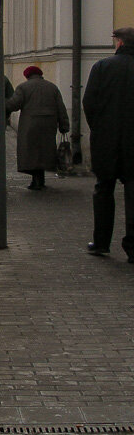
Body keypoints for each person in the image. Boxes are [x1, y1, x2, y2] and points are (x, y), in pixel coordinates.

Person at [82, 27, 134, 261]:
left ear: (120, 43)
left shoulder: (102, 67)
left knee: (104, 189)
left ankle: (101, 242)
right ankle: (133, 247)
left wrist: (99, 128)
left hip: (106, 140)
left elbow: (89, 102)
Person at [5, 65, 69, 191]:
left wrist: (2, 102)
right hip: (49, 125)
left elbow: (14, 105)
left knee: (31, 153)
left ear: (27, 76)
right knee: (44, 151)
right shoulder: (52, 87)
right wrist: (64, 125)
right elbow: (61, 108)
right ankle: (40, 180)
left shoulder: (23, 87)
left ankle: (36, 181)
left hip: (30, 125)